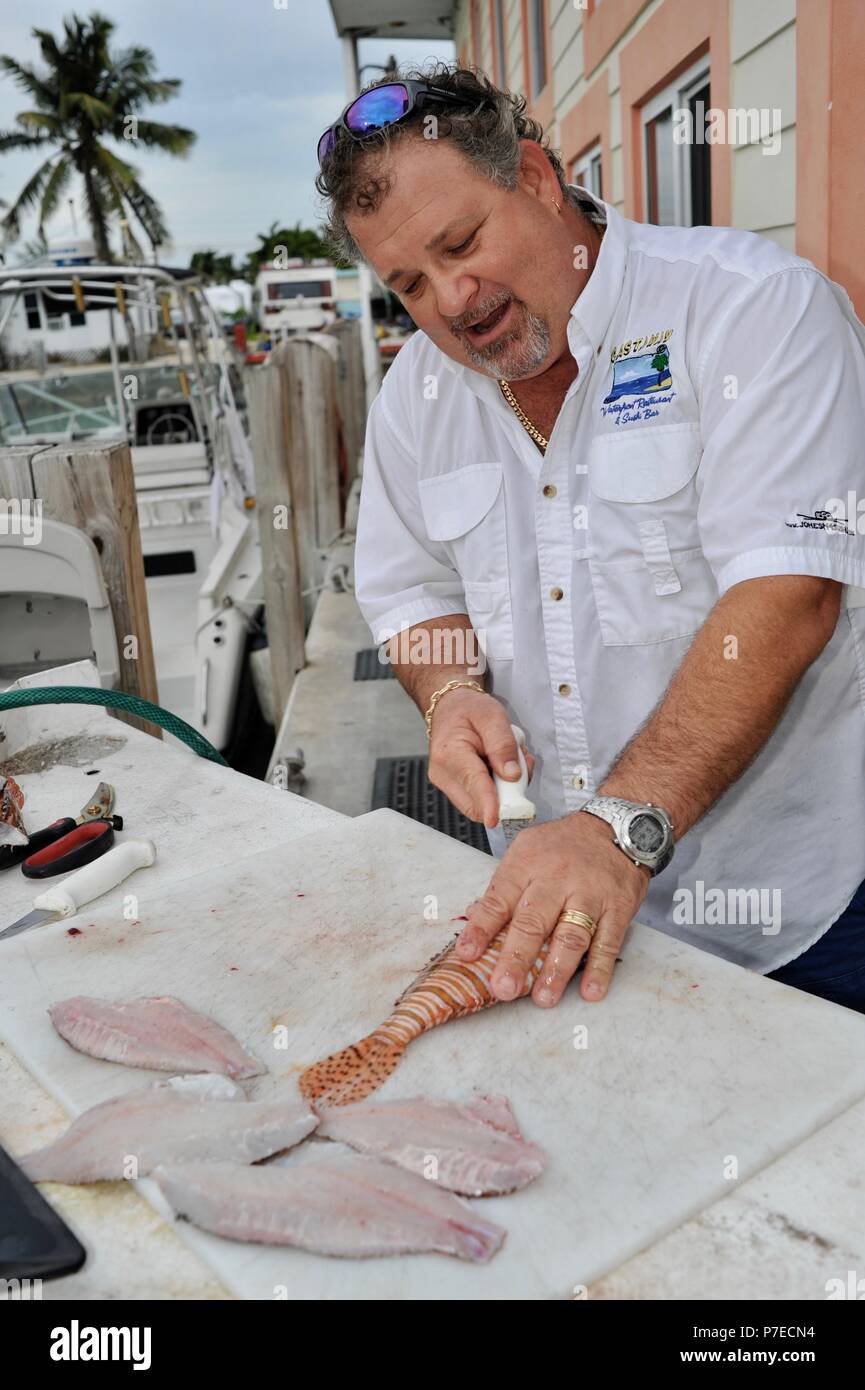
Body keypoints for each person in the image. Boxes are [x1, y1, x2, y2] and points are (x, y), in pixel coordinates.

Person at [315, 64, 865, 1013]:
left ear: (533, 176)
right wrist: (448, 694)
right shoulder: (416, 396)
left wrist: (616, 829)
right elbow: (410, 593)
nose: (450, 299)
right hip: (550, 919)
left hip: (799, 917)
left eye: (461, 243)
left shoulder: (751, 308)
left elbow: (790, 590)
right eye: (409, 283)